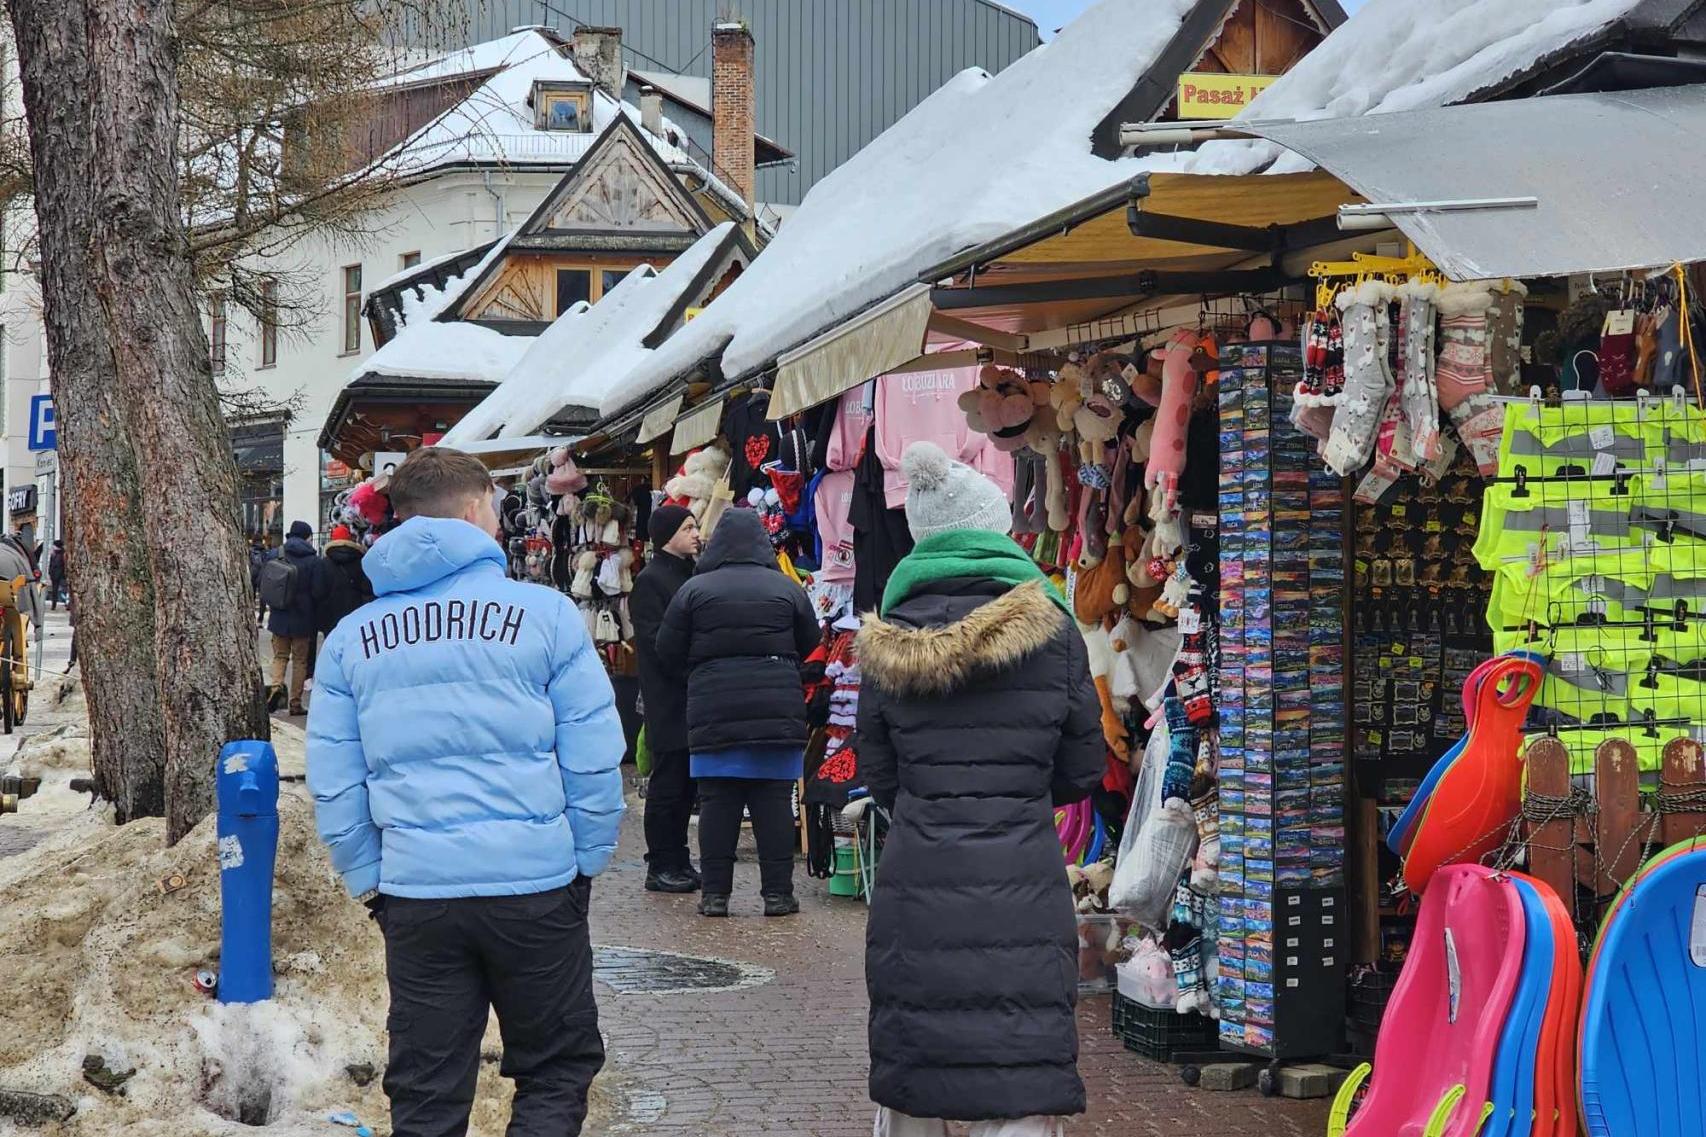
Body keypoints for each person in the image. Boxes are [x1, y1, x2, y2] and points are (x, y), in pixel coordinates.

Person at [307, 446, 624, 1137]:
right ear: (479, 508)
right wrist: (583, 864)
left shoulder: (354, 640)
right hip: (536, 883)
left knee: (426, 1095)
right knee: (556, 1067)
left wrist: (374, 882)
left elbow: (335, 783)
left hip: (420, 894)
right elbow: (595, 760)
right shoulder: (545, 616)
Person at [855, 442, 1105, 1137]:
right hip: (1024, 876)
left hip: (918, 882)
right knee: (1020, 1076)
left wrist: (930, 804)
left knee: (915, 1074)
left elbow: (879, 772)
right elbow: (1083, 765)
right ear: (996, 531)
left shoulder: (885, 643)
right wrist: (1018, 797)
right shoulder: (1052, 630)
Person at [656, 508, 818, 918]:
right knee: (774, 804)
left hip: (714, 708)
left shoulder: (693, 590)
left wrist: (700, 673)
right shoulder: (787, 588)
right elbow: (810, 641)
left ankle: (715, 896)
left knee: (717, 803)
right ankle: (778, 895)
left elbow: (666, 649)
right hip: (777, 708)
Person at [629, 504, 702, 894]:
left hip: (690, 695)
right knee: (668, 784)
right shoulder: (651, 581)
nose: (695, 533)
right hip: (668, 697)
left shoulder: (691, 572)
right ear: (667, 535)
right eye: (687, 527)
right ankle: (660, 863)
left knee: (685, 784)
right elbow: (657, 642)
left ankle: (679, 858)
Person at [262, 520, 325, 716]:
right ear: (307, 537)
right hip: (303, 618)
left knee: (280, 656)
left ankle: (275, 688)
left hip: (279, 615)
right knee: (300, 661)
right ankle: (295, 703)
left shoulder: (276, 554)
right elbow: (318, 591)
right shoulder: (314, 560)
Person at [318, 524, 373, 636]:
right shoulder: (360, 561)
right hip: (355, 614)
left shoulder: (324, 563)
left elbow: (318, 591)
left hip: (330, 616)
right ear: (349, 539)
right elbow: (367, 590)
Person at [47, 540, 65, 610]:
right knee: (54, 590)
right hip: (54, 575)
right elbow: (51, 565)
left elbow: (58, 565)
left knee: (61, 589)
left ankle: (57, 603)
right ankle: (53, 604)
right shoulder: (54, 554)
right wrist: (50, 573)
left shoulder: (62, 554)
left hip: (59, 575)